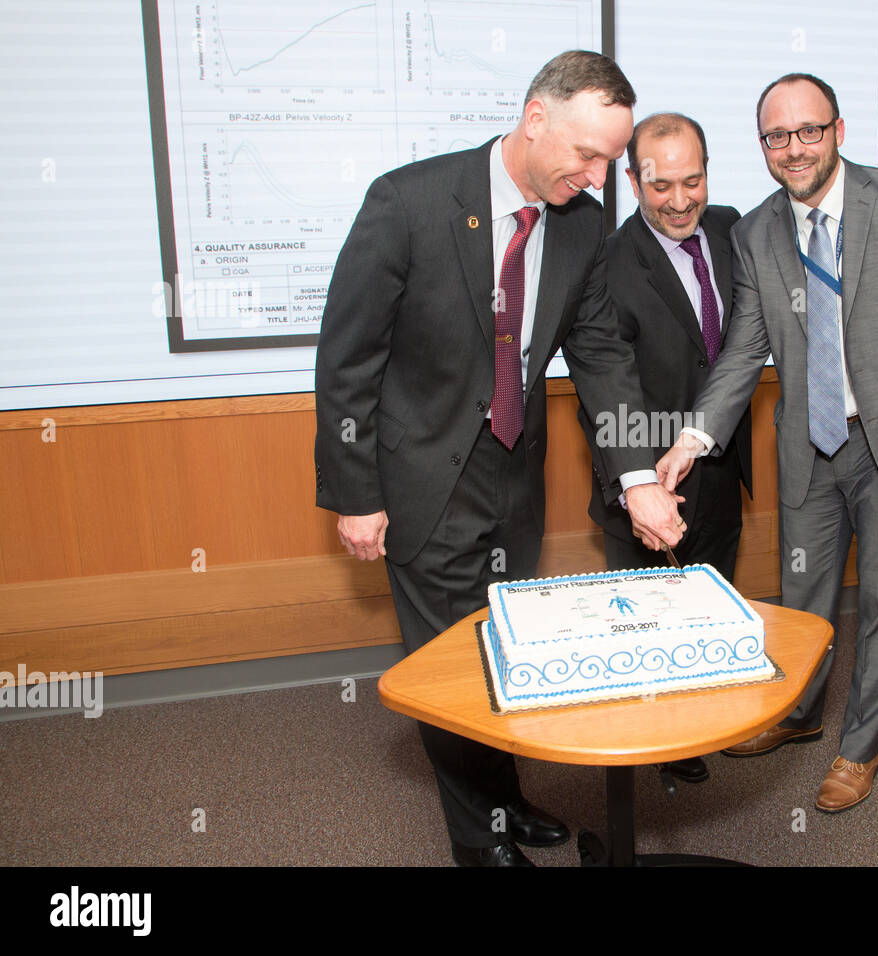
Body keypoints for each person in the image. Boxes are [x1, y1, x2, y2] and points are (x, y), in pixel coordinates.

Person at [314, 51, 684, 866]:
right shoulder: (408, 202)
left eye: (609, 163)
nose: (596, 177)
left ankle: (506, 802)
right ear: (536, 117)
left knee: (505, 650)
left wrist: (634, 477)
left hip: (515, 475)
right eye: (586, 155)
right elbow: (347, 358)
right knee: (453, 666)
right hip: (423, 478)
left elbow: (597, 353)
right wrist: (355, 492)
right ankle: (476, 842)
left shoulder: (582, 223)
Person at [658, 73, 878, 813]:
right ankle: (800, 713)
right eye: (777, 136)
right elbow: (745, 352)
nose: (794, 149)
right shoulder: (755, 232)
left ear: (839, 131)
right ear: (763, 146)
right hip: (809, 449)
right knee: (802, 597)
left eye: (809, 131)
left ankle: (860, 747)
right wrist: (692, 438)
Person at [578, 112, 753, 786]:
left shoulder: (732, 228)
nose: (679, 201)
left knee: (712, 607)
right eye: (660, 187)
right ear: (631, 179)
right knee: (646, 626)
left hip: (721, 465)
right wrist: (640, 483)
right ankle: (647, 747)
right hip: (648, 481)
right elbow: (605, 383)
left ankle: (692, 733)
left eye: (693, 181)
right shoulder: (608, 264)